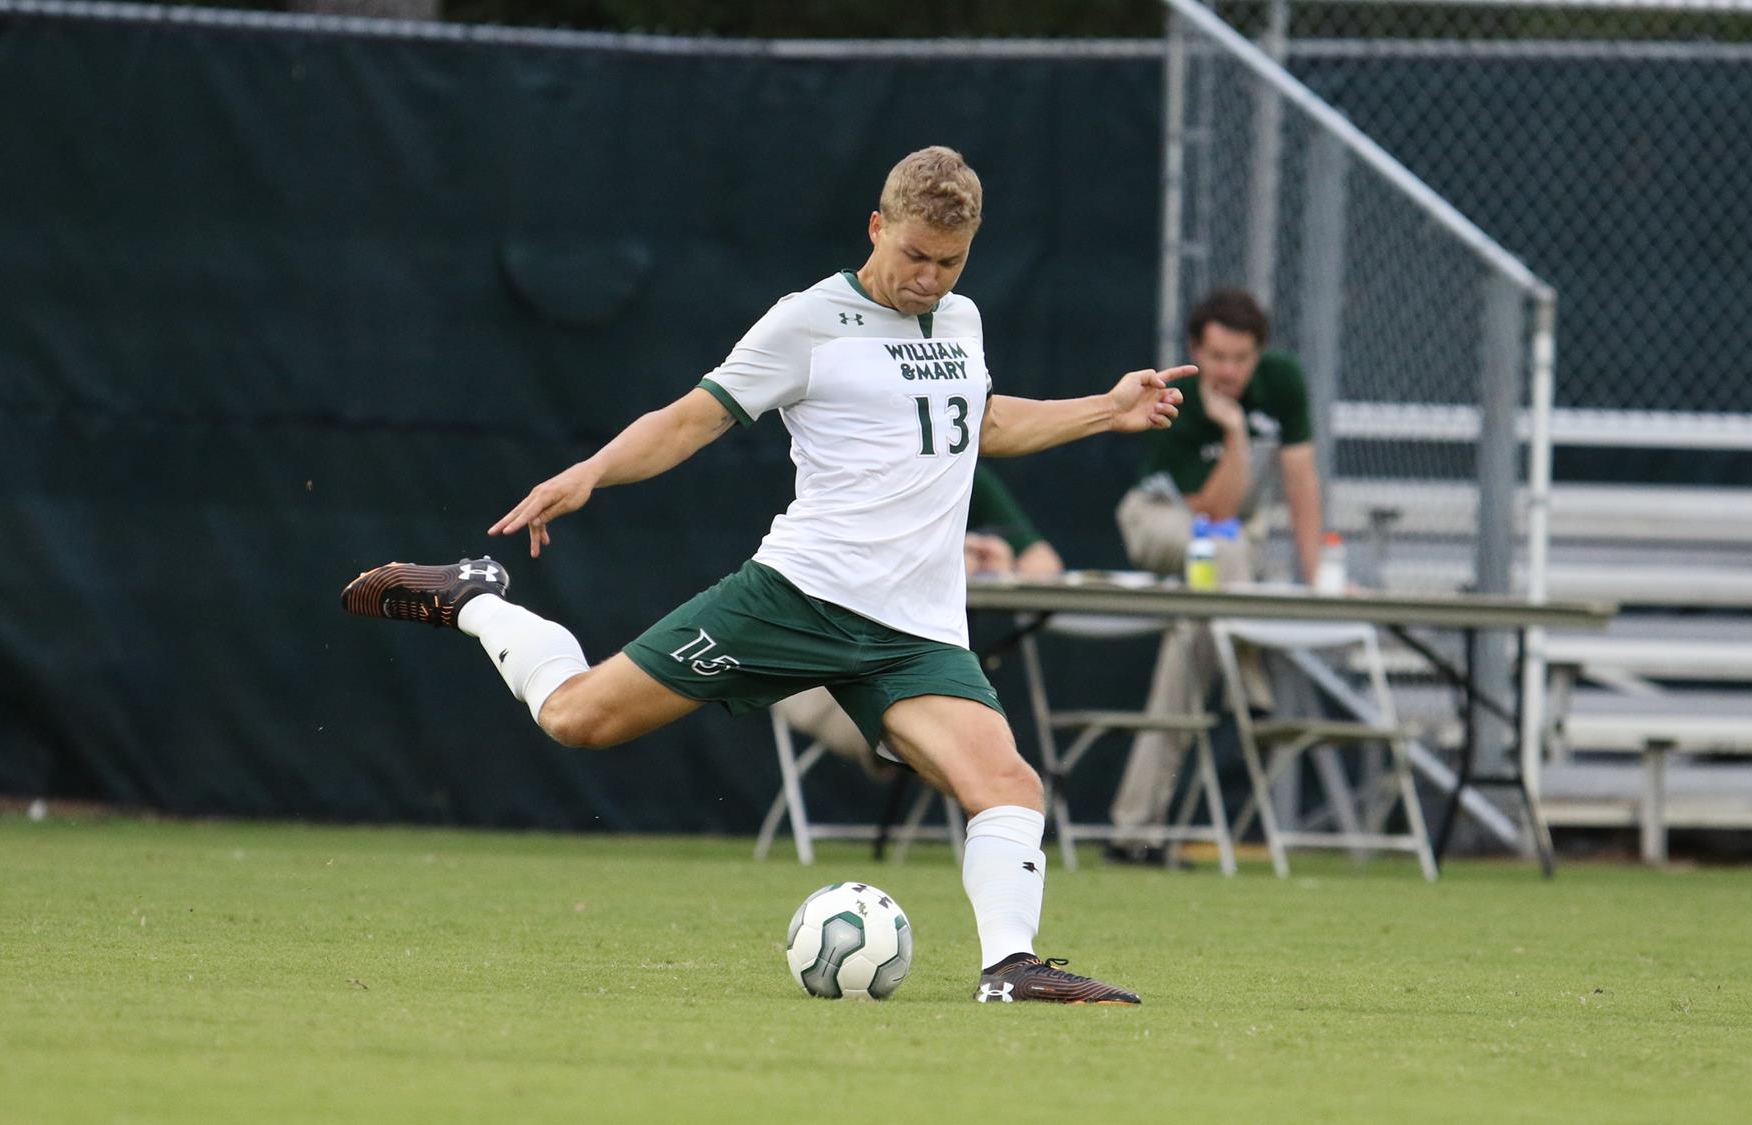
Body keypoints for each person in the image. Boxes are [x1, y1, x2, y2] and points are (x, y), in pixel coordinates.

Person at [341, 147, 1186, 1005]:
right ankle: (478, 599)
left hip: (915, 630)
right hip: (799, 597)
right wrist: (593, 470)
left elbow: (980, 422)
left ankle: (1010, 968)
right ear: (876, 227)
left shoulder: (960, 320)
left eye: (950, 261)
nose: (929, 279)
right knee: (577, 718)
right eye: (914, 255)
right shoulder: (807, 321)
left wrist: (1107, 408)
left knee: (1008, 786)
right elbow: (691, 419)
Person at [1105, 289, 1326, 864]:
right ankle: (1249, 683)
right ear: (1196, 350)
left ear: (1260, 354)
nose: (1228, 371)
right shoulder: (1175, 394)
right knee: (1220, 547)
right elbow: (1215, 511)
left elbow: (1301, 480)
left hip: (1223, 561)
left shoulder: (1283, 381)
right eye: (1218, 357)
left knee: (1190, 646)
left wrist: (1316, 577)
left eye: (1241, 359)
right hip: (1161, 522)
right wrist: (1234, 433)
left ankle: (1133, 831)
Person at [782, 463, 1062, 777]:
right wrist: (944, 562)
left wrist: (1002, 563)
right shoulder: (850, 469)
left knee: (972, 737)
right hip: (827, 674)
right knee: (961, 739)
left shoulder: (957, 468)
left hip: (925, 679)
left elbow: (1044, 563)